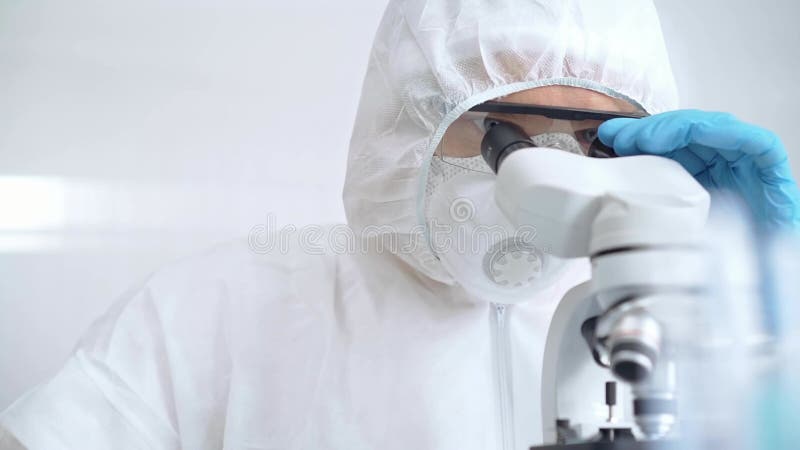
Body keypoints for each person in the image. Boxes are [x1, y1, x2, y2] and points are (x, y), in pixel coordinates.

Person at [1, 1, 798, 449]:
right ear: (409, 121)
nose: (549, 178)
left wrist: (768, 311)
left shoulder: (666, 330)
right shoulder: (221, 311)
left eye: (593, 141)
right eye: (502, 133)